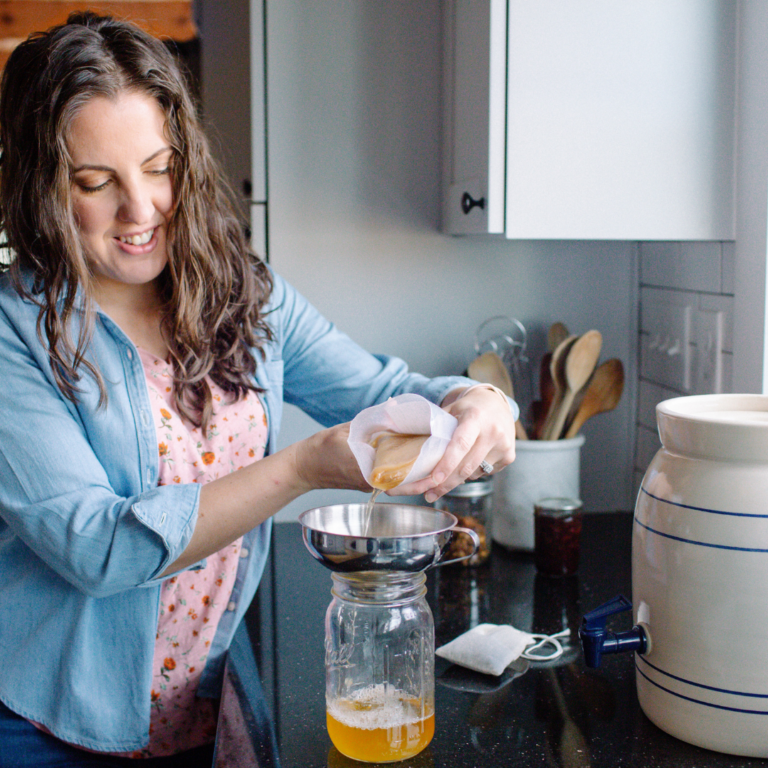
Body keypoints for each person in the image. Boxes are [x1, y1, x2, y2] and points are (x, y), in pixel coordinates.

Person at [0, 12, 517, 767]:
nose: (141, 210)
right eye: (94, 182)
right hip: (47, 723)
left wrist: (481, 404)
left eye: (158, 167)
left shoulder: (245, 296)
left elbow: (389, 389)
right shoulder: (16, 330)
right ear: (44, 186)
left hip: (204, 702)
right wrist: (300, 470)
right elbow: (98, 549)